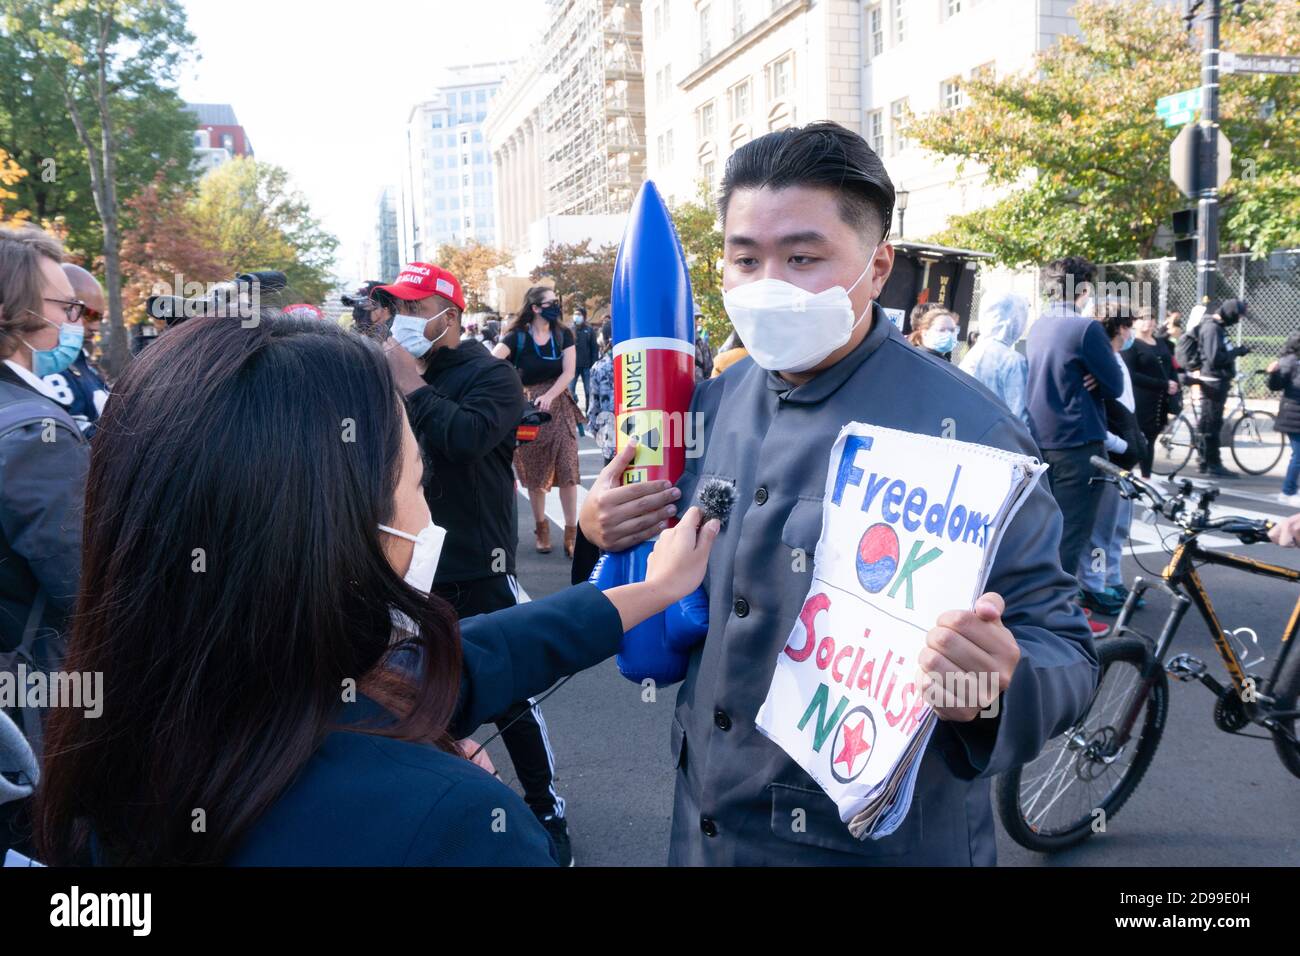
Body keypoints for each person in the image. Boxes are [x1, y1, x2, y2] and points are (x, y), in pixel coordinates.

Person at [576, 121, 1097, 866]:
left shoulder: (971, 433)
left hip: (875, 845)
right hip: (705, 828)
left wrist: (989, 689)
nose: (767, 285)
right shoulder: (714, 402)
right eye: (745, 259)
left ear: (877, 266)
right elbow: (662, 556)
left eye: (802, 258)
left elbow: (1064, 649)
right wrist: (601, 528)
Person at [31, 313, 719, 866]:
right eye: (417, 482)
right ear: (336, 525)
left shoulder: (117, 735)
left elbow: (473, 659)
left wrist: (650, 589)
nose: (427, 512)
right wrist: (446, 793)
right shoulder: (454, 827)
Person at [375, 262, 580, 864]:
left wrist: (411, 387)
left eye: (415, 308)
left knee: (512, 693)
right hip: (405, 565)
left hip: (477, 563)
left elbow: (465, 438)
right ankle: (443, 806)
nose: (402, 319)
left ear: (450, 315)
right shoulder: (389, 373)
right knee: (412, 693)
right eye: (397, 308)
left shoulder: (491, 374)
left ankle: (546, 809)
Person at [0, 226, 91, 856]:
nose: (75, 322)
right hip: (30, 709)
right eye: (67, 307)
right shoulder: (34, 431)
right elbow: (89, 586)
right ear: (17, 314)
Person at [1025, 256, 1125, 588]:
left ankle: (1037, 601)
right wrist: (1096, 376)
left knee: (1044, 530)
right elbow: (1115, 385)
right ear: (1083, 289)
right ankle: (1057, 609)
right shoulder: (1085, 328)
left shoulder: (1039, 325)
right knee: (1071, 534)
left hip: (1041, 439)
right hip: (1078, 442)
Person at [491, 287, 583, 557]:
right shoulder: (517, 337)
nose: (556, 306)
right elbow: (490, 363)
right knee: (534, 471)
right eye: (550, 302)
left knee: (568, 470)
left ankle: (571, 533)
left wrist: (550, 395)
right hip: (529, 410)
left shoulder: (563, 334)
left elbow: (569, 372)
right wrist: (512, 391)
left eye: (557, 300)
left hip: (560, 406)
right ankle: (541, 528)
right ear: (535, 308)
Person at [1078, 303, 1145, 618]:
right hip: (1110, 455)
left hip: (1125, 457)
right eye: (1129, 325)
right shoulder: (1098, 362)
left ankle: (1112, 578)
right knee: (1101, 530)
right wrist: (1121, 444)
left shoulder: (1116, 359)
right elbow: (1092, 412)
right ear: (1121, 328)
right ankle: (1094, 585)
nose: (1132, 332)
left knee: (1117, 527)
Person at [39, 263, 110, 436]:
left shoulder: (79, 360)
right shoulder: (51, 367)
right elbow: (63, 439)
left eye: (100, 318)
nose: (96, 327)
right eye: (90, 314)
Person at [1194, 298, 1250, 478]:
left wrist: (1236, 352)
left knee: (1208, 422)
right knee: (1212, 423)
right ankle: (1213, 463)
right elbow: (1214, 358)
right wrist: (1237, 352)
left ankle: (1204, 460)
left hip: (1215, 381)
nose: (1239, 320)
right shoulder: (1213, 328)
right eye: (1238, 316)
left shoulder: (1217, 327)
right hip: (1213, 381)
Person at [1124, 306, 1179, 478]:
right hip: (1140, 399)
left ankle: (1146, 477)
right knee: (1138, 441)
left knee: (1151, 439)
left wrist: (1174, 383)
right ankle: (1125, 475)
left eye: (1151, 318)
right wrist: (1162, 384)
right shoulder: (1130, 344)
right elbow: (1131, 375)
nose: (1147, 321)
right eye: (1142, 318)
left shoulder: (1161, 343)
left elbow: (1171, 366)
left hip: (1160, 400)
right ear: (1134, 322)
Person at [958, 293, 1029, 423]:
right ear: (1013, 321)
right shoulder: (1012, 360)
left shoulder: (973, 353)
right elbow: (1019, 416)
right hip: (1002, 432)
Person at [1267, 333, 1300, 507]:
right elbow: (1275, 385)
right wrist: (1273, 373)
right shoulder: (1290, 361)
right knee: (1298, 456)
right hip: (1293, 416)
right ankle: (1287, 492)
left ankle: (1292, 488)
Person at [588, 323, 617, 465]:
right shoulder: (642, 361)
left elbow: (594, 406)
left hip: (611, 437)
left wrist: (595, 429)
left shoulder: (600, 367)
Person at [569, 306, 598, 422]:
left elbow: (594, 349)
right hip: (572, 367)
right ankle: (573, 416)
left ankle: (588, 415)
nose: (577, 316)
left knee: (588, 392)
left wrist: (594, 365)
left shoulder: (589, 330)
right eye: (575, 314)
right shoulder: (569, 330)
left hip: (587, 367)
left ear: (584, 317)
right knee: (570, 392)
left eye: (579, 314)